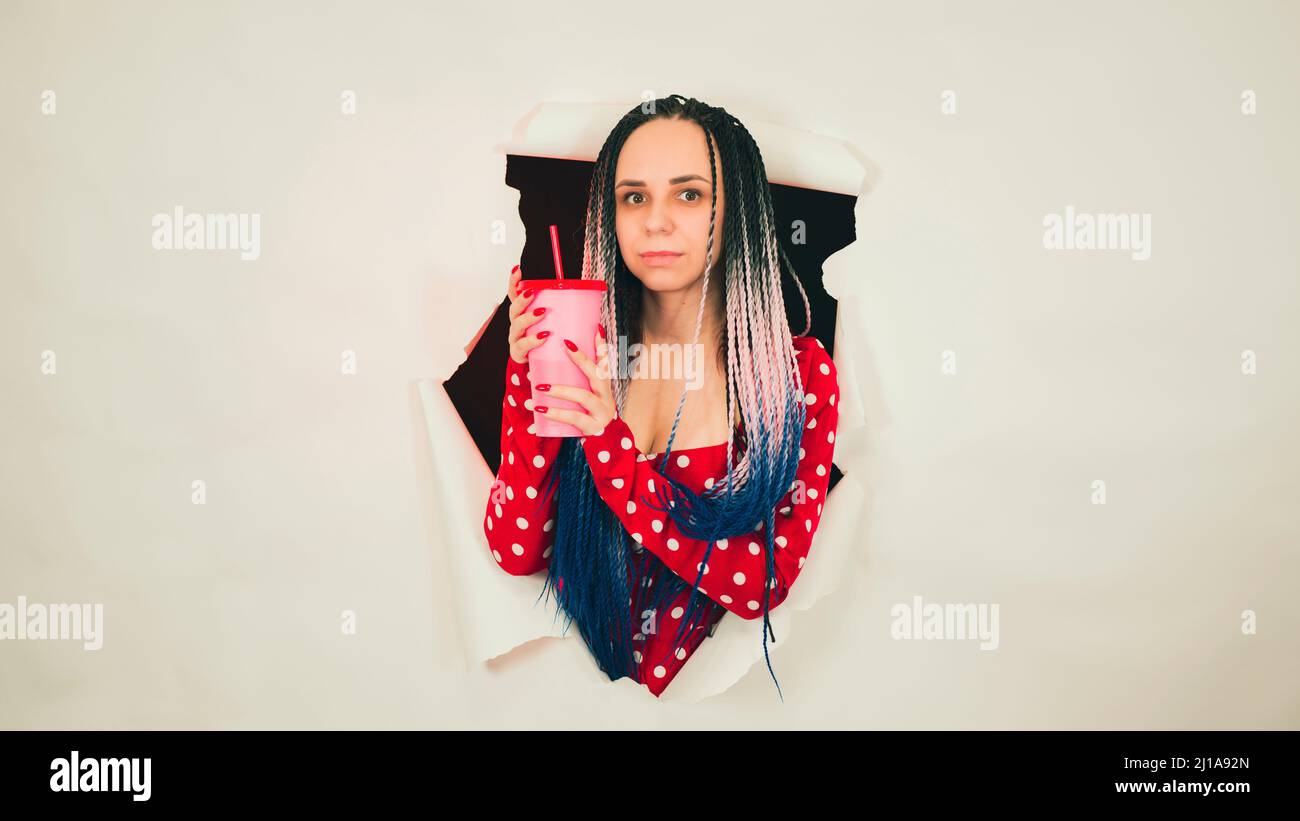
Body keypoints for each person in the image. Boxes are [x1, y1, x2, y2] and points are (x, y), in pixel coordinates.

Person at [483, 95, 840, 700]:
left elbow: (759, 584)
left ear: (736, 212)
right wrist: (527, 378)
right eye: (635, 196)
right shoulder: (585, 354)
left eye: (689, 194)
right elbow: (517, 548)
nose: (655, 221)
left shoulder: (796, 377)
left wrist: (613, 454)